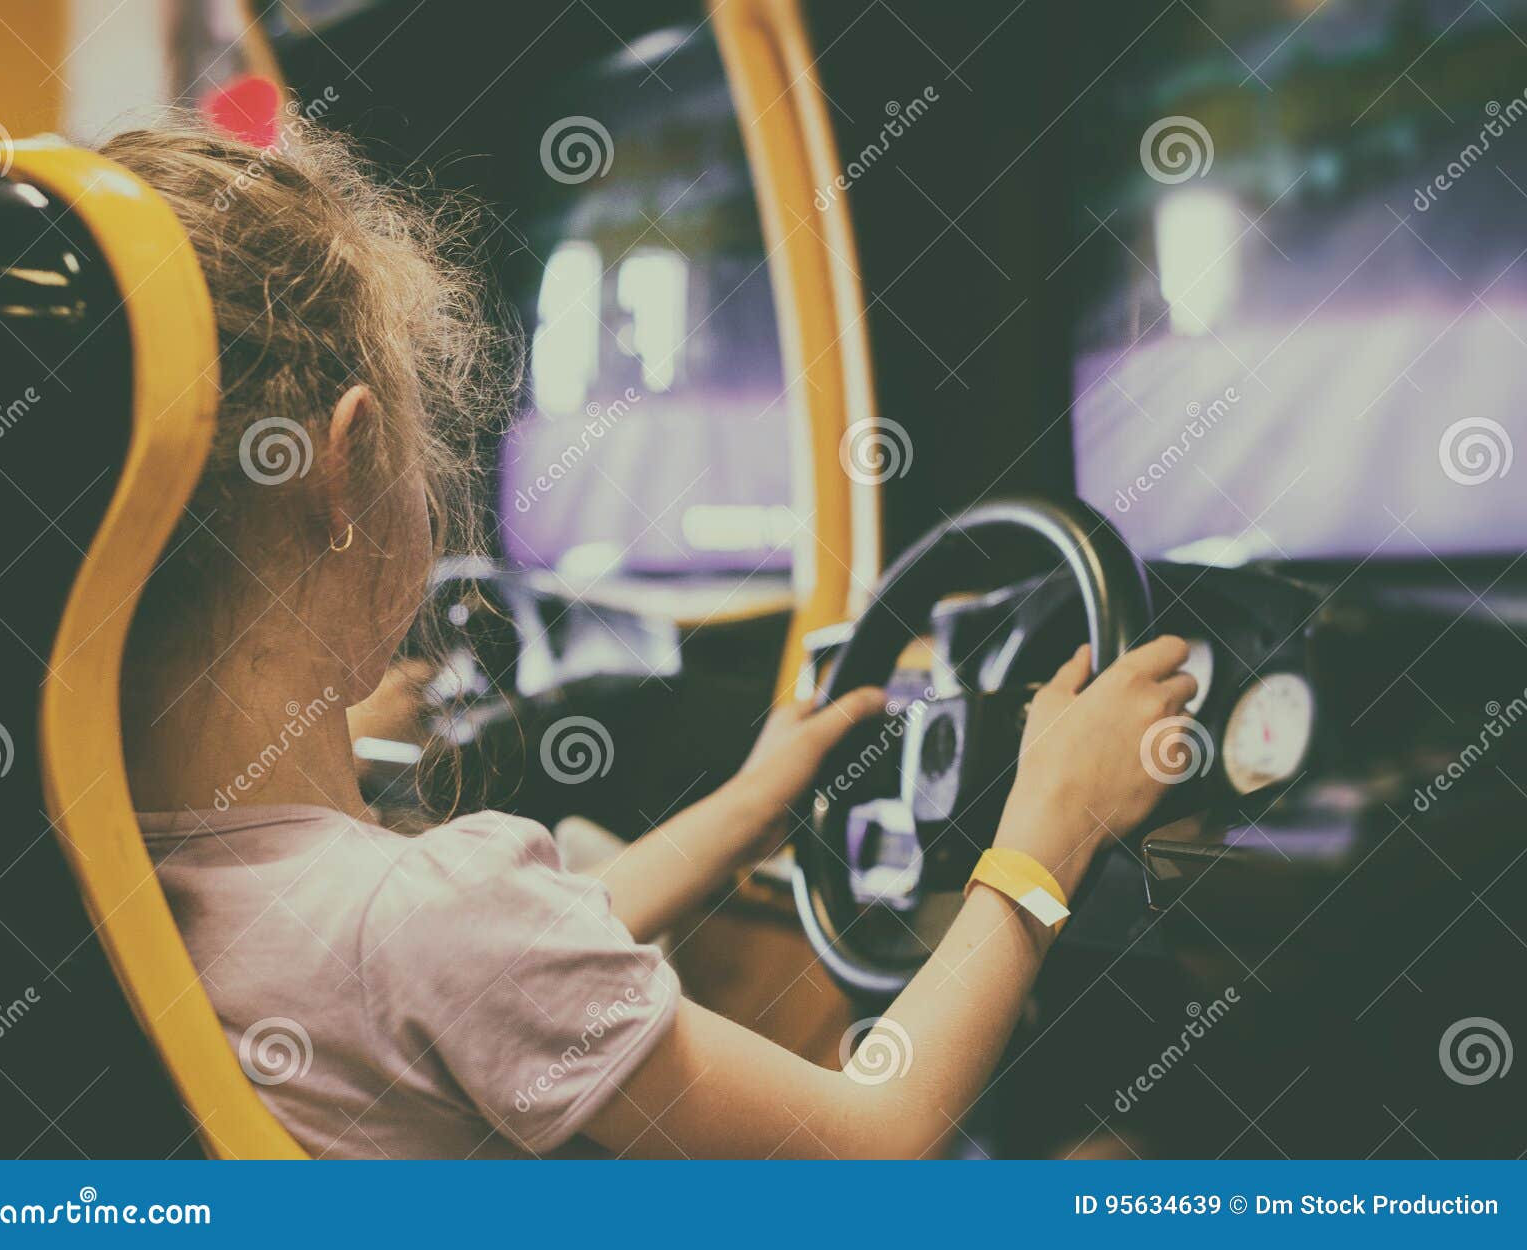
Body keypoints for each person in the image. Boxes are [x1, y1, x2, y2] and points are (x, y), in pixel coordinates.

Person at [112, 121, 1197, 1159]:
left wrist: (749, 807)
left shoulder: (122, 866)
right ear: (343, 471)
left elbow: (491, 978)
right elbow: (872, 1141)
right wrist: (1051, 830)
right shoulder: (431, 916)